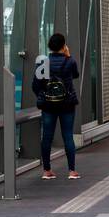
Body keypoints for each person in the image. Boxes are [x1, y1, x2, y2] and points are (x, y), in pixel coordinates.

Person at [33, 32, 80, 181]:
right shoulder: (70, 61)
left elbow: (35, 85)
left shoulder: (43, 62)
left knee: (47, 137)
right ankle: (72, 171)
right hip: (67, 104)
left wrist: (44, 95)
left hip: (48, 105)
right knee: (67, 136)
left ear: (49, 46)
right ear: (63, 45)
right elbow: (75, 75)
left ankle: (47, 170)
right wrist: (67, 56)